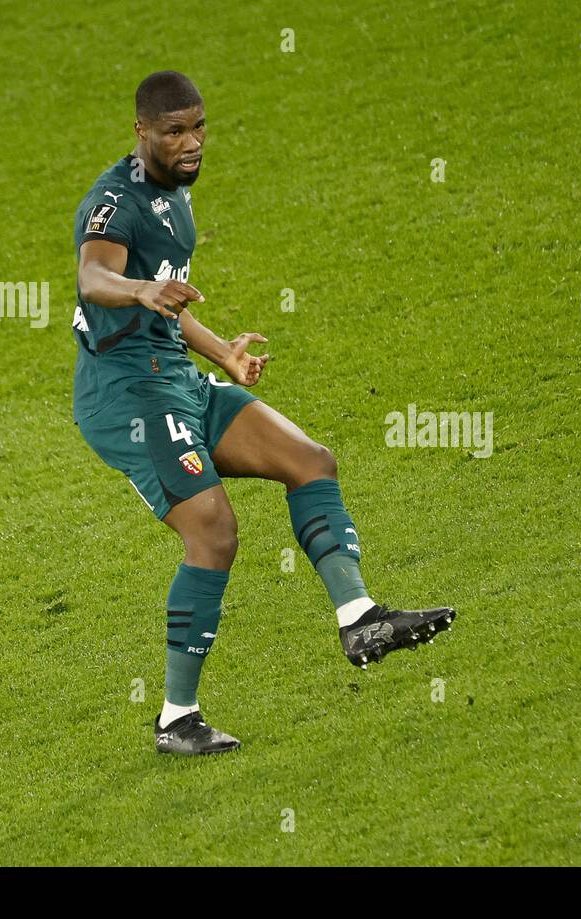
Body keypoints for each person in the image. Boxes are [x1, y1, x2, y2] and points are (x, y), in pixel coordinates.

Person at [71, 71, 455, 756]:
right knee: (214, 532)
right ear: (140, 133)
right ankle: (175, 720)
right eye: (174, 132)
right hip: (128, 396)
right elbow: (94, 278)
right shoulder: (114, 203)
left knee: (309, 462)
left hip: (177, 380)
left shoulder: (176, 195)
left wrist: (223, 355)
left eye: (199, 127)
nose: (191, 143)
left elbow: (168, 302)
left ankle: (359, 617)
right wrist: (135, 291)